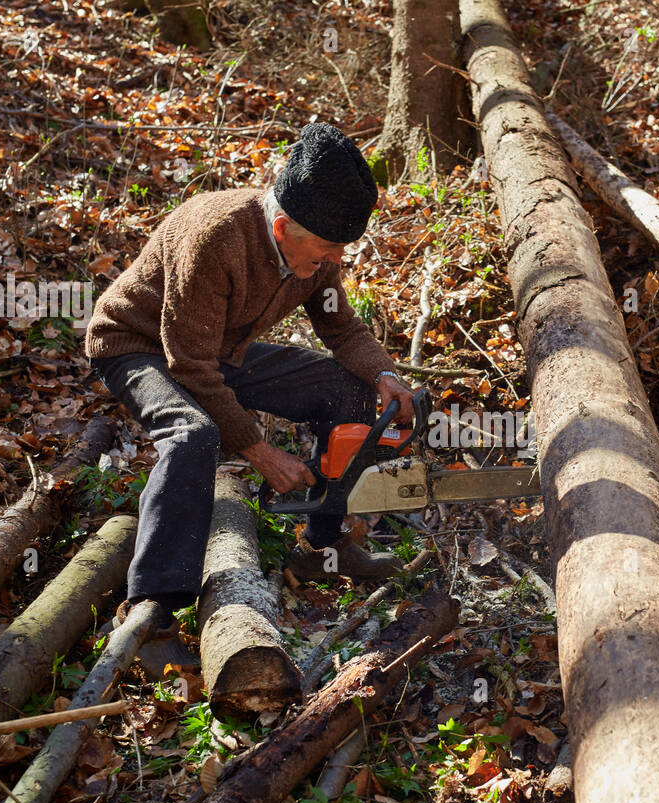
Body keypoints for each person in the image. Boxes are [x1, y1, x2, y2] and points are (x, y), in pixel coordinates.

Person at [84, 122, 415, 631]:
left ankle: (320, 546)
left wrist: (384, 375)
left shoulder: (316, 244)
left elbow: (341, 326)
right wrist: (260, 452)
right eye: (326, 249)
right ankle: (151, 609)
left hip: (216, 348)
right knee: (193, 434)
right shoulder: (216, 238)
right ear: (282, 229)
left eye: (339, 251)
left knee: (342, 386)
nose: (334, 261)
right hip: (136, 345)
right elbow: (189, 366)